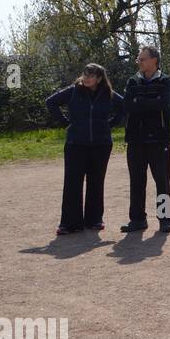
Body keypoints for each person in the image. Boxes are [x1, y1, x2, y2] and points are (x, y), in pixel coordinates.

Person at [45, 64, 125, 235]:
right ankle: (69, 223)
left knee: (96, 182)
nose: (87, 78)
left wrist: (109, 125)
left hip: (101, 145)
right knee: (72, 183)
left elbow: (124, 107)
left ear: (99, 78)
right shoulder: (73, 91)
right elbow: (50, 102)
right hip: (76, 144)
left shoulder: (107, 93)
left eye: (91, 75)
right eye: (85, 74)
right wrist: (66, 123)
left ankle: (94, 219)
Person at [120, 45, 170, 233]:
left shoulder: (165, 81)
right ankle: (137, 220)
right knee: (136, 181)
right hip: (135, 140)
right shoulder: (132, 82)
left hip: (159, 140)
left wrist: (140, 102)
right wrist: (149, 103)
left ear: (154, 60)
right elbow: (127, 105)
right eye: (139, 59)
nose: (139, 62)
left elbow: (164, 103)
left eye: (142, 59)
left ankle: (165, 219)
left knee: (162, 181)